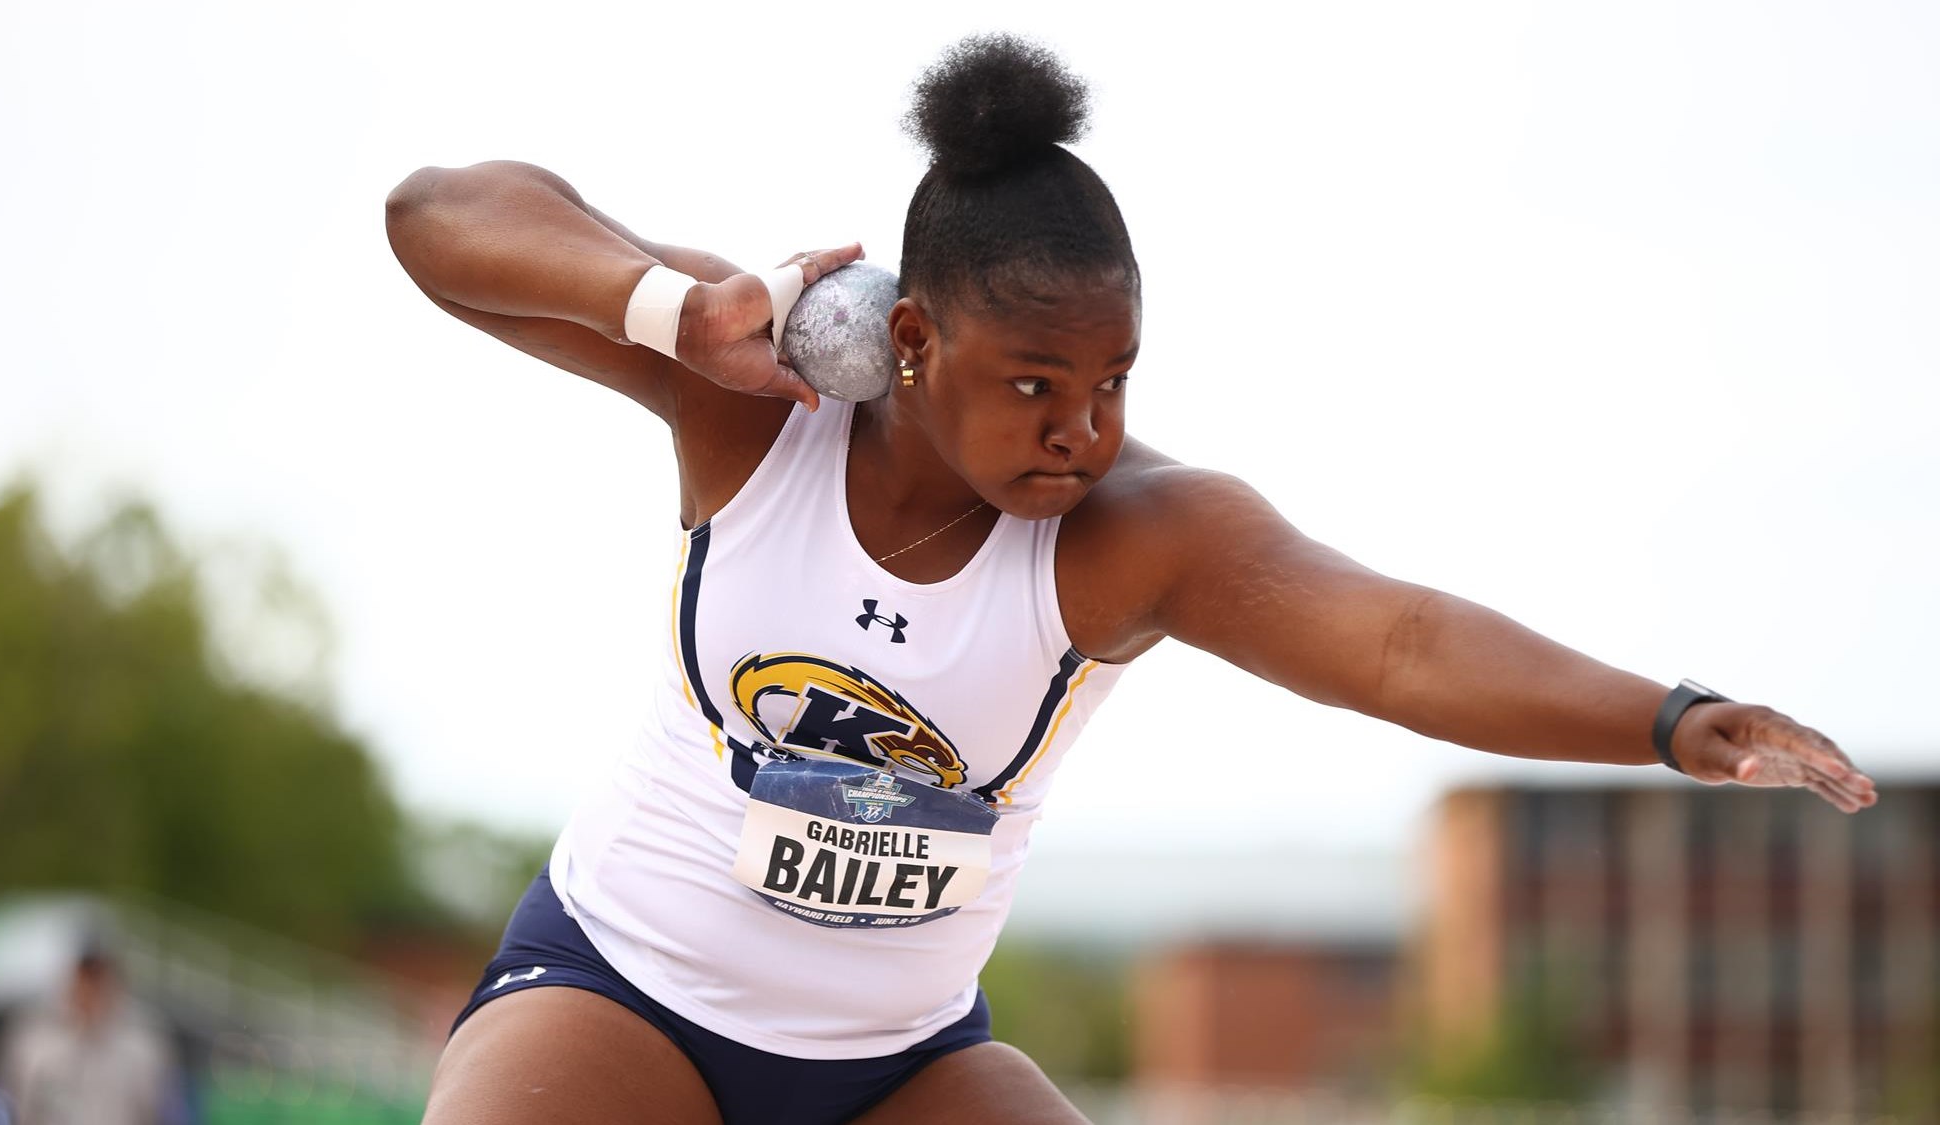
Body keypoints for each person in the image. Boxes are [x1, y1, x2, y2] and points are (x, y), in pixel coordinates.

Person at [384, 33, 1876, 1125]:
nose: (1084, 428)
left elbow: (1403, 644)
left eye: (1112, 378)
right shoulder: (756, 402)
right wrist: (663, 307)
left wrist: (1673, 716)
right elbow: (438, 215)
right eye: (1036, 382)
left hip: (901, 1065)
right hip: (626, 993)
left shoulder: (1139, 533)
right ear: (911, 340)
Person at [0, 933, 180, 1125]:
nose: (91, 986)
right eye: (85, 974)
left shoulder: (144, 1039)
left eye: (99, 974)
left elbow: (162, 1109)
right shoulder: (34, 1036)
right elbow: (13, 1101)